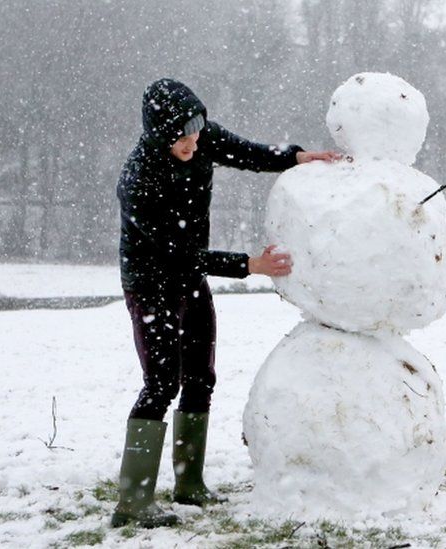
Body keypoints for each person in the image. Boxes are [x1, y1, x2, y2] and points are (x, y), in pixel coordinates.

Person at [111, 78, 338, 528]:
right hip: (152, 282)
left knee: (200, 378)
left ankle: (188, 484)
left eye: (197, 128)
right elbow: (175, 252)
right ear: (160, 135)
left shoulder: (198, 136)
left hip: (190, 278)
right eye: (182, 134)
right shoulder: (140, 181)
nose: (193, 139)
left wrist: (295, 156)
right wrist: (249, 265)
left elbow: (248, 152)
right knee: (161, 382)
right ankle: (132, 503)